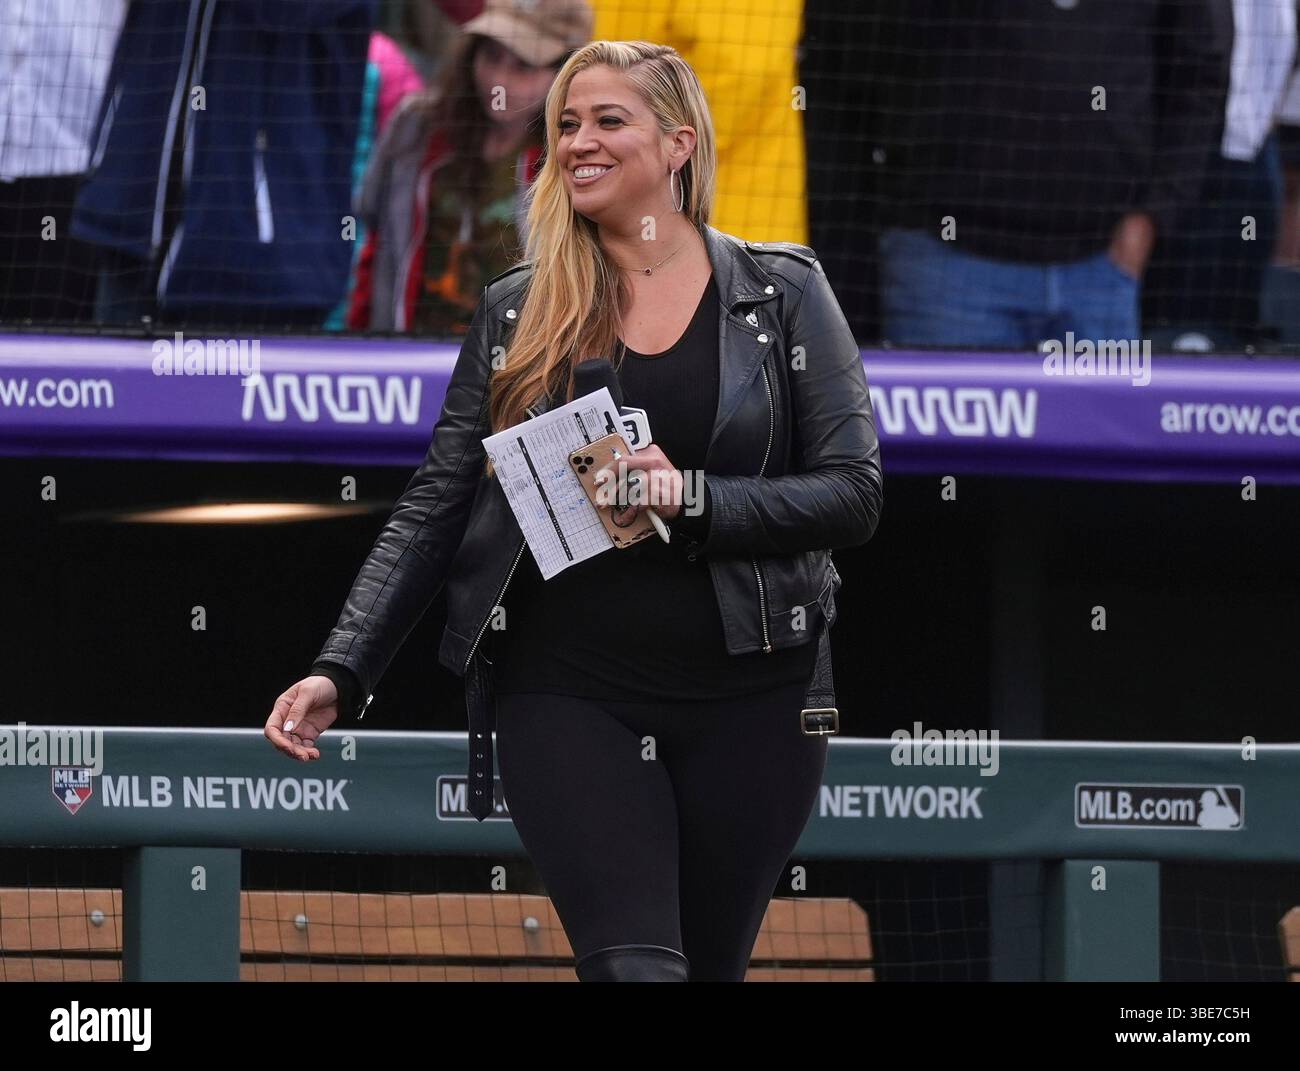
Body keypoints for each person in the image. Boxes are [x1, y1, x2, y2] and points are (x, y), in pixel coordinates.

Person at [265, 40, 883, 982]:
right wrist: (342, 666)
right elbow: (438, 500)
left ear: (678, 145)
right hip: (569, 688)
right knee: (638, 970)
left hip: (756, 696)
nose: (577, 142)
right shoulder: (521, 307)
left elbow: (853, 493)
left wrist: (693, 494)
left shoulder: (782, 293)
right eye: (565, 124)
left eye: (607, 121)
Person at [874, 0, 1231, 349]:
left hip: (1104, 263)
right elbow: (868, 52)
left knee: (1103, 411)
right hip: (948, 263)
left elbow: (1198, 71)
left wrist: (1152, 216)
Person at [345, 0, 593, 333]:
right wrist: (364, 338)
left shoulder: (581, 154)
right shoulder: (417, 128)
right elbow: (372, 236)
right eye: (491, 56)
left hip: (519, 364)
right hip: (405, 354)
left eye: (523, 66)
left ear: (566, 74)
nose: (500, 81)